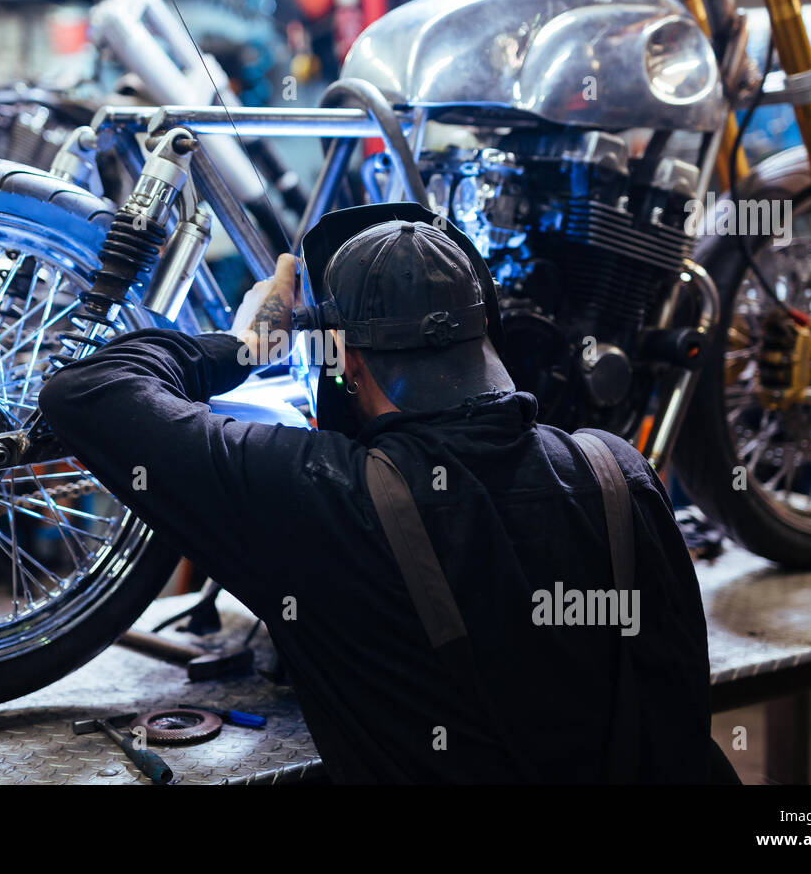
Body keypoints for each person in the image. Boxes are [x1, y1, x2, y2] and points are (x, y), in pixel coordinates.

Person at [38, 203, 737, 784]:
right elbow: (677, 712)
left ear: (350, 366)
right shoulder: (617, 471)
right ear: (483, 334)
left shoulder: (319, 495)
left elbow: (88, 393)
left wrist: (244, 342)